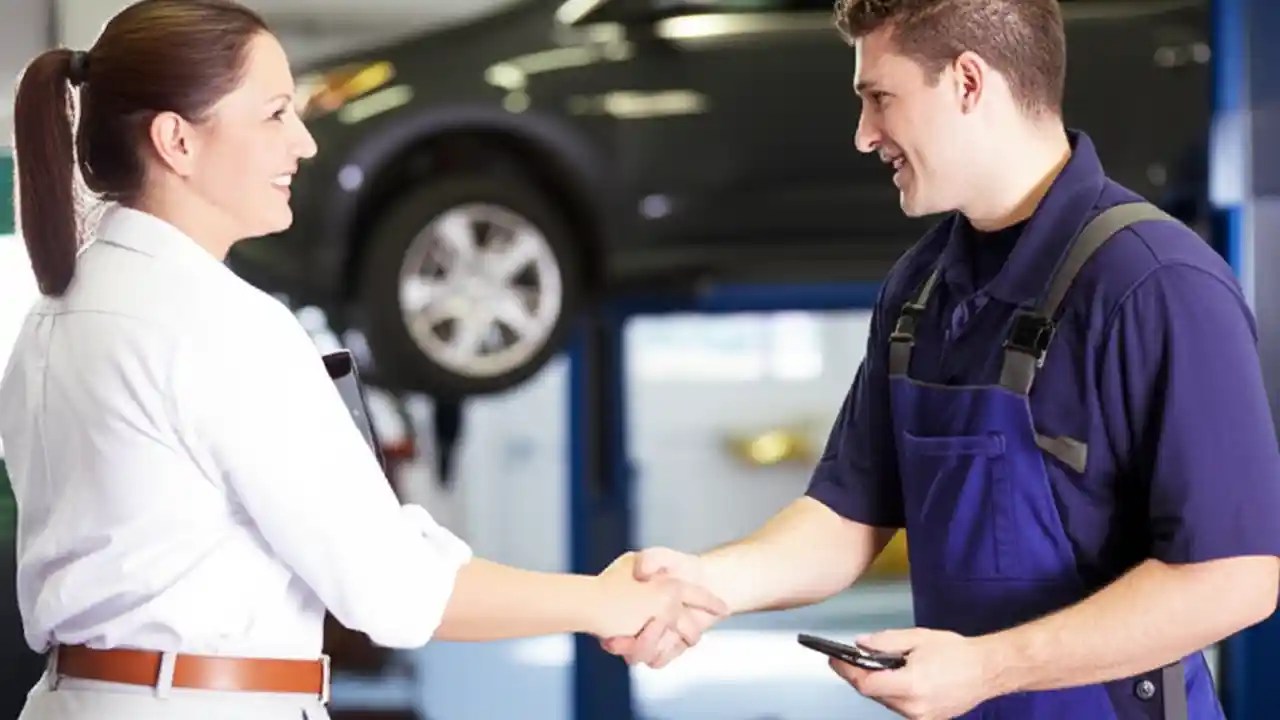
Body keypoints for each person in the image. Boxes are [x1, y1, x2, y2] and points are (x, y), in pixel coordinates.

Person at [0, 2, 726, 718]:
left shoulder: (53, 319)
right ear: (177, 142)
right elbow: (397, 591)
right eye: (276, 113)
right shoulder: (219, 324)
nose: (305, 145)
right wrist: (609, 599)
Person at [602, 0, 1280, 718]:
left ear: (967, 82)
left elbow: (1234, 579)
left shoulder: (1155, 283)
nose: (865, 136)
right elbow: (847, 515)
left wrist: (989, 667)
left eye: (879, 98)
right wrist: (705, 582)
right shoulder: (920, 287)